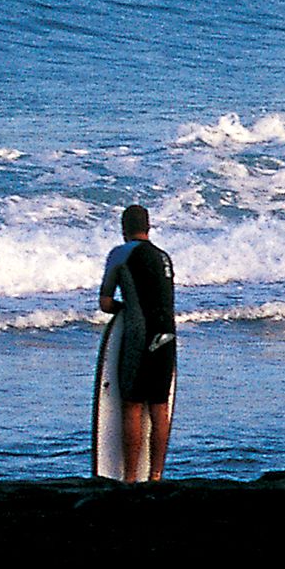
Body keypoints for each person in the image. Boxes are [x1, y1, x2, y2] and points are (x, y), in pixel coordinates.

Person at [98, 204, 177, 483]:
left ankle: (130, 478)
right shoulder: (164, 257)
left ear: (123, 229)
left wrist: (123, 309)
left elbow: (105, 302)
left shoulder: (120, 254)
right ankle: (156, 475)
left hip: (139, 336)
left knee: (132, 404)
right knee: (159, 407)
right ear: (149, 227)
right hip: (167, 336)